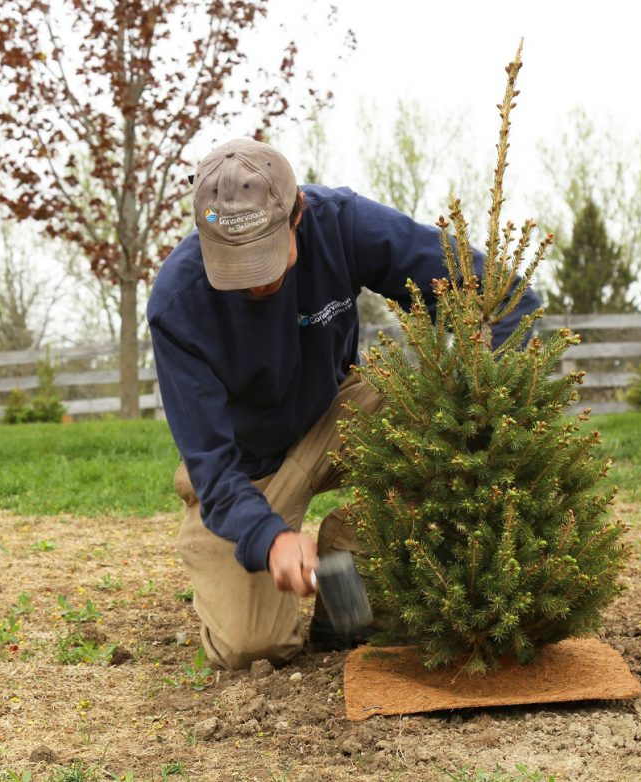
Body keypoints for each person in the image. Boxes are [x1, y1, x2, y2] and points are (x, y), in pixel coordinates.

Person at [147, 137, 541, 671]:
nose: (257, 281)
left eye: (266, 257)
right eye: (235, 267)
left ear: (297, 215)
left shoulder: (340, 223)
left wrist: (492, 403)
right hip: (246, 471)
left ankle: (347, 564)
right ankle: (245, 575)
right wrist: (269, 539)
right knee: (252, 648)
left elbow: (498, 294)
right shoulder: (178, 303)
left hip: (338, 418)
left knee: (439, 417)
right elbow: (213, 469)